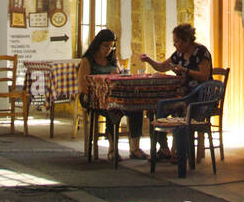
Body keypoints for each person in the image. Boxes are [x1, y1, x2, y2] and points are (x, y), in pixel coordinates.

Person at [140, 23, 213, 161]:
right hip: (181, 95)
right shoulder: (179, 54)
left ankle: (180, 151)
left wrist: (185, 70)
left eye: (177, 41)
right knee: (158, 107)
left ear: (187, 40)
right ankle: (164, 148)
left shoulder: (201, 52)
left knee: (180, 107)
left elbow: (204, 76)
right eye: (174, 41)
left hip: (198, 97)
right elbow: (162, 67)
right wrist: (148, 60)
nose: (175, 44)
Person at [78, 28, 146, 161]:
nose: (108, 49)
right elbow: (83, 84)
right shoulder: (88, 61)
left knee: (136, 109)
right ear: (98, 44)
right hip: (94, 98)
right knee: (112, 109)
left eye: (111, 46)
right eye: (105, 46)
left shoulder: (112, 61)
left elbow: (119, 77)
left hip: (115, 96)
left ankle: (135, 147)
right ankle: (113, 149)